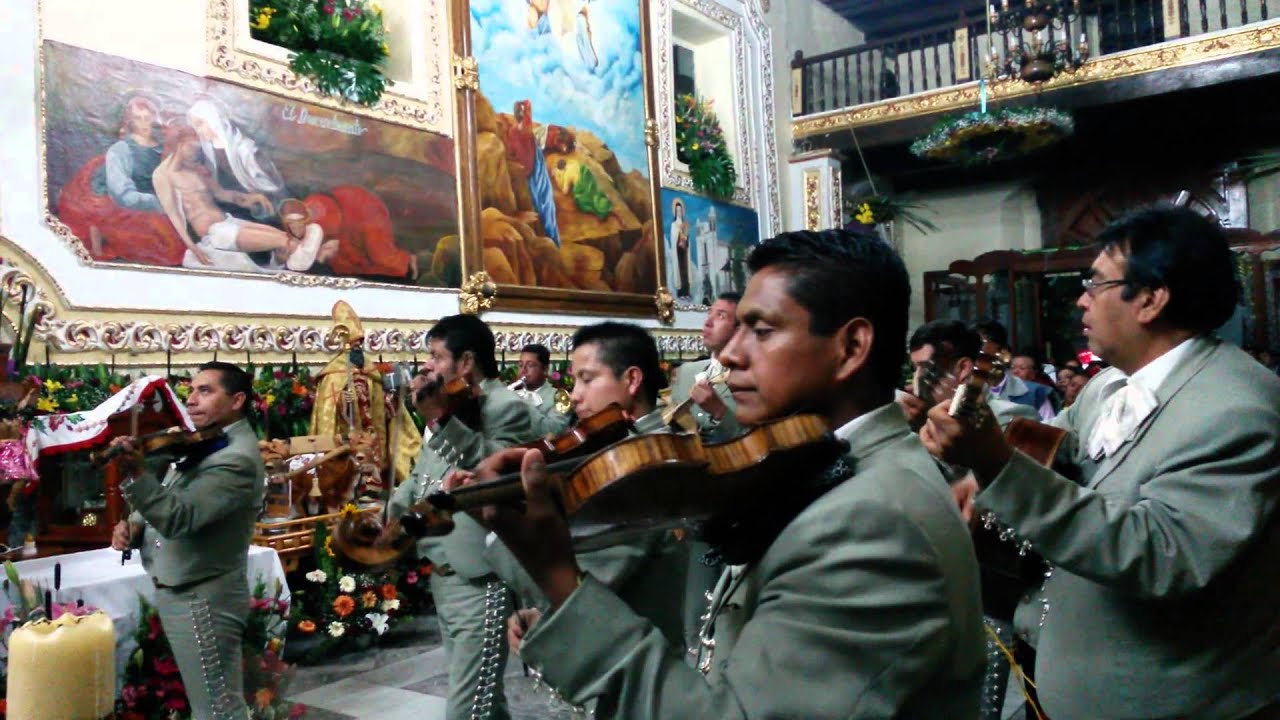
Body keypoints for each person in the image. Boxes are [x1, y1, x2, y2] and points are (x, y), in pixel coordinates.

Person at [451, 228, 985, 718]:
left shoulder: (872, 519)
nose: (728, 355)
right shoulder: (832, 465)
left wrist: (560, 581)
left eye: (761, 330)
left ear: (851, 347)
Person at [921, 207, 1280, 720]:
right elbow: (1053, 455)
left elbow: (1158, 554)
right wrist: (978, 465)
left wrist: (995, 465)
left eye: (1095, 283)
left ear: (1151, 299)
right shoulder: (1110, 386)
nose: (1081, 299)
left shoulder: (1235, 409)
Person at [486, 323, 690, 660]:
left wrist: (498, 531)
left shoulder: (641, 464)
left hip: (637, 669)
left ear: (633, 380)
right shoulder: (620, 451)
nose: (575, 393)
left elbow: (589, 581)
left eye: (588, 378)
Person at [386, 314, 541, 720]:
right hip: (445, 577)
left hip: (481, 580)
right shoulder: (452, 405)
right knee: (485, 704)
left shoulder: (505, 407)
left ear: (467, 361)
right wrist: (387, 514)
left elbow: (498, 473)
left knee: (467, 708)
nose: (428, 367)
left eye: (437, 357)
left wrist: (440, 419)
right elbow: (423, 475)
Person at [109, 362, 264, 720]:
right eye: (191, 391)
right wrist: (135, 526)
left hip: (203, 598)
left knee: (217, 709)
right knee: (210, 704)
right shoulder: (204, 442)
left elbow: (181, 517)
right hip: (184, 589)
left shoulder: (236, 458)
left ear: (238, 399)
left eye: (205, 391)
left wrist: (135, 473)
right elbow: (169, 494)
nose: (191, 400)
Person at [152, 130, 320, 273]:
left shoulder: (199, 171)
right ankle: (301, 258)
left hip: (227, 221)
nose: (195, 152)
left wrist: (251, 198)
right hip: (214, 233)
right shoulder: (164, 176)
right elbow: (174, 215)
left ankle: (287, 259)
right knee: (285, 241)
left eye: (198, 148)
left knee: (283, 236)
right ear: (179, 145)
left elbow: (223, 194)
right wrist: (193, 247)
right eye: (191, 147)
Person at [667, 292, 742, 441]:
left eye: (721, 316)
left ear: (739, 330)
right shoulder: (685, 372)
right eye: (709, 314)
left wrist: (720, 411)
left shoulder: (753, 377)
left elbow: (760, 440)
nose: (707, 322)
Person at [511, 343, 571, 435]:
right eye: (520, 365)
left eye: (530, 365)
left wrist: (524, 406)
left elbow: (554, 429)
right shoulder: (512, 394)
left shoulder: (561, 397)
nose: (523, 371)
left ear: (545, 369)